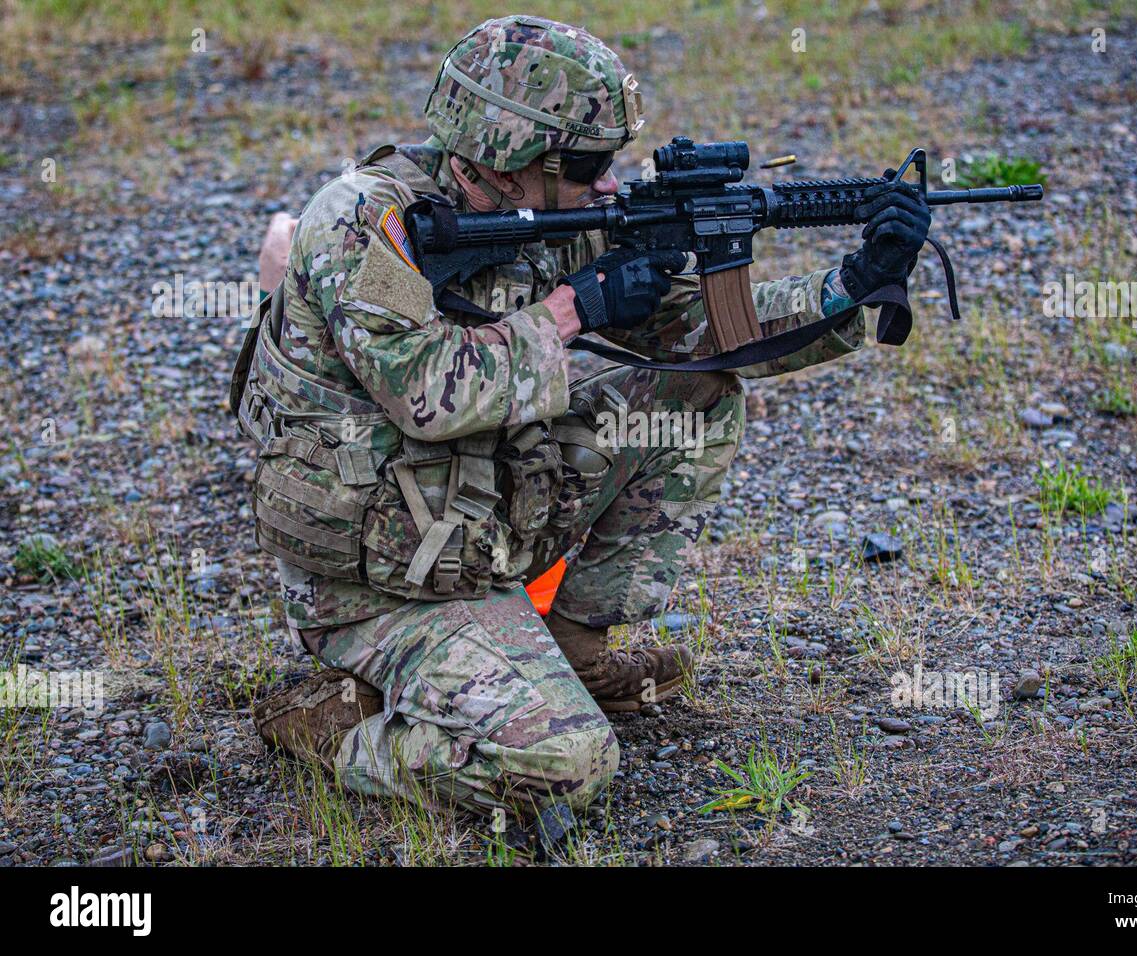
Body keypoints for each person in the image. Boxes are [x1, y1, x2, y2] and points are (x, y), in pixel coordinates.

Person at [234, 14, 930, 845]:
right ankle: (337, 731)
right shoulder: (363, 226)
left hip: (471, 524)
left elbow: (712, 338)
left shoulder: (557, 210)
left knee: (692, 393)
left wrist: (855, 284)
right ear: (496, 158)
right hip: (374, 580)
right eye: (589, 164)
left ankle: (575, 649)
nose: (608, 185)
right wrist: (571, 312)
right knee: (565, 765)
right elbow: (426, 395)